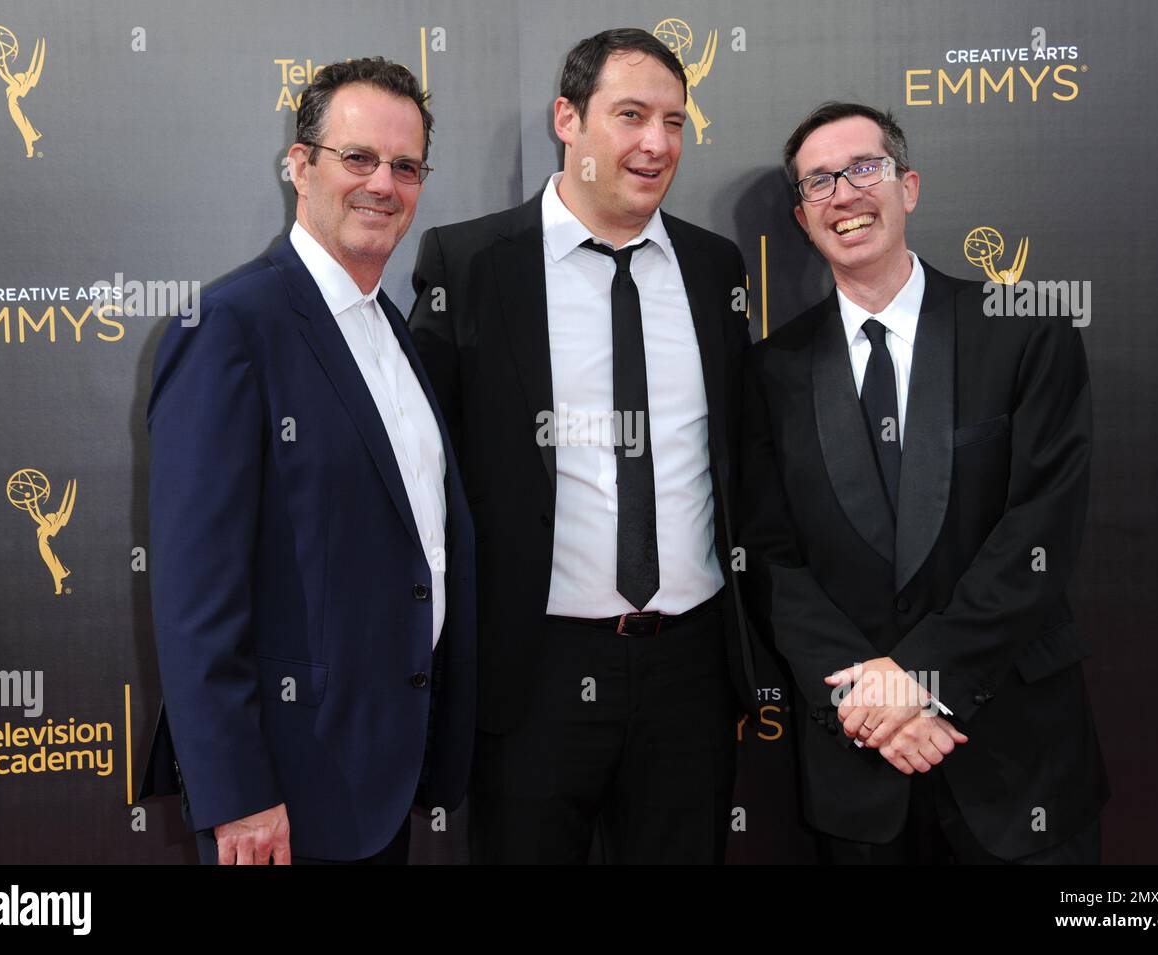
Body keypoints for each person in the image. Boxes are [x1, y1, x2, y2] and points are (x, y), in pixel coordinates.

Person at [408, 28, 757, 864]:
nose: (656, 143)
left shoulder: (716, 270)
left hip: (691, 670)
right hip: (535, 674)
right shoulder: (471, 262)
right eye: (631, 114)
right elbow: (425, 465)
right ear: (568, 118)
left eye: (675, 121)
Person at [740, 102, 1108, 864]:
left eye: (863, 169)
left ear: (908, 187)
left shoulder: (1024, 330)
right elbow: (770, 558)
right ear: (803, 216)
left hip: (1018, 762)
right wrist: (869, 701)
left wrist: (919, 679)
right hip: (861, 766)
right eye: (818, 183)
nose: (844, 194)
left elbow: (1039, 530)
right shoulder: (770, 372)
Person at [139, 58, 475, 865]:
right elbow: (195, 593)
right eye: (358, 158)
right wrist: (239, 793)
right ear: (300, 165)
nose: (383, 185)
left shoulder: (392, 327)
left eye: (405, 166)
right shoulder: (229, 324)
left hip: (381, 770)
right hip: (285, 790)